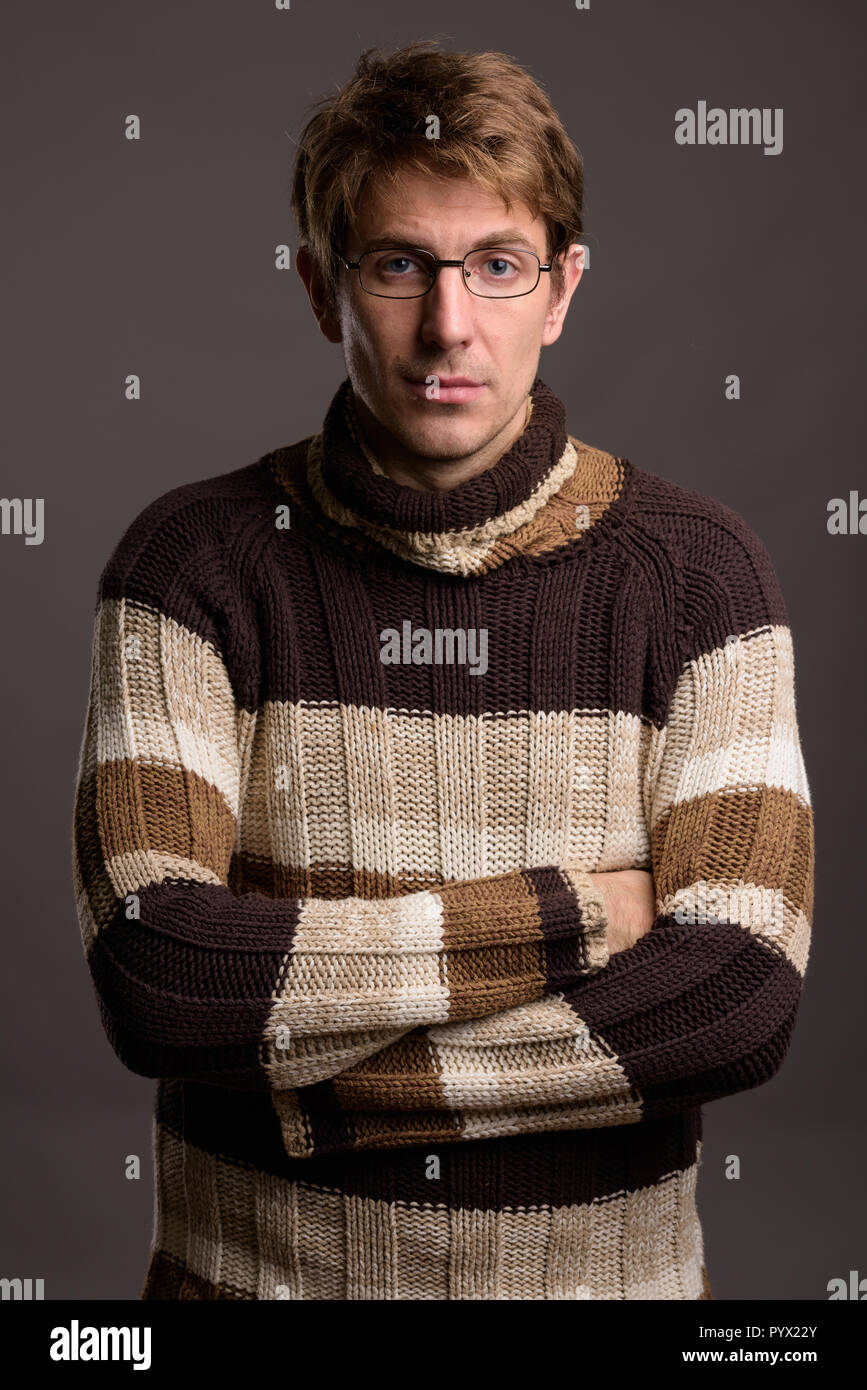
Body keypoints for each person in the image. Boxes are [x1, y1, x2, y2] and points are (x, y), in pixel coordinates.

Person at [71, 40, 814, 1300]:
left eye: (497, 265)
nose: (448, 324)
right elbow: (159, 975)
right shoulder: (189, 566)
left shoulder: (697, 574)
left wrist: (331, 1083)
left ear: (563, 287)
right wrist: (571, 918)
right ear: (322, 289)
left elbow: (738, 996)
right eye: (398, 264)